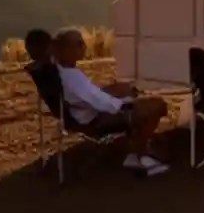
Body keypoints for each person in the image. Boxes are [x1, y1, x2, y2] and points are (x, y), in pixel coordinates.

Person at [54, 28, 171, 176]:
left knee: (129, 92)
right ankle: (141, 156)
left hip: (84, 112)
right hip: (94, 118)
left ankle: (134, 154)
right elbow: (97, 100)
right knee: (156, 106)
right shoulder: (72, 78)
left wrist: (119, 92)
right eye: (79, 44)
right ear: (65, 49)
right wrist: (125, 105)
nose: (84, 46)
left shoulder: (61, 71)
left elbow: (91, 95)